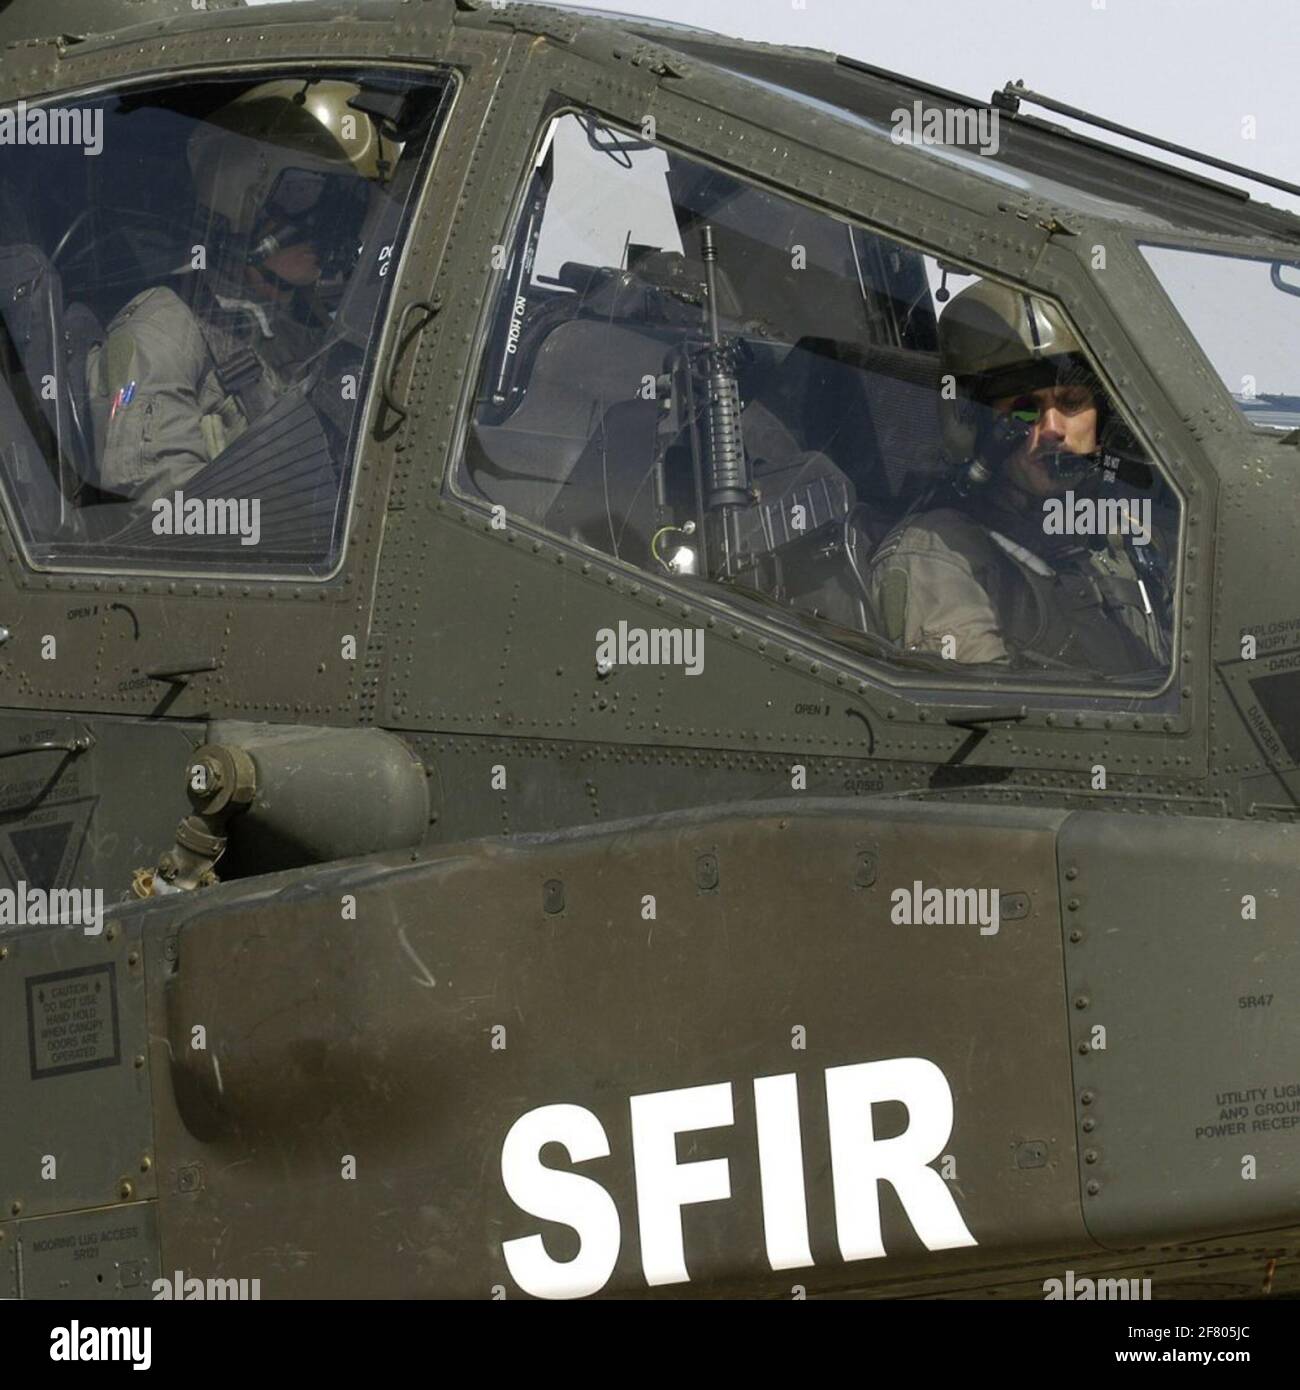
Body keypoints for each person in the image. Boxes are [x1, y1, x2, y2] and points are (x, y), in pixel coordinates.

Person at [87, 79, 390, 502]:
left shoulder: (301, 328)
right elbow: (160, 501)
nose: (329, 223)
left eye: (341, 197)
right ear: (243, 198)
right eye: (305, 191)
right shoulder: (164, 329)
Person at [867, 280, 1170, 675]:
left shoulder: (1125, 531)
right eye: (1025, 411)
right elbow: (982, 715)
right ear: (973, 426)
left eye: (1073, 404)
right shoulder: (940, 555)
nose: (1053, 430)